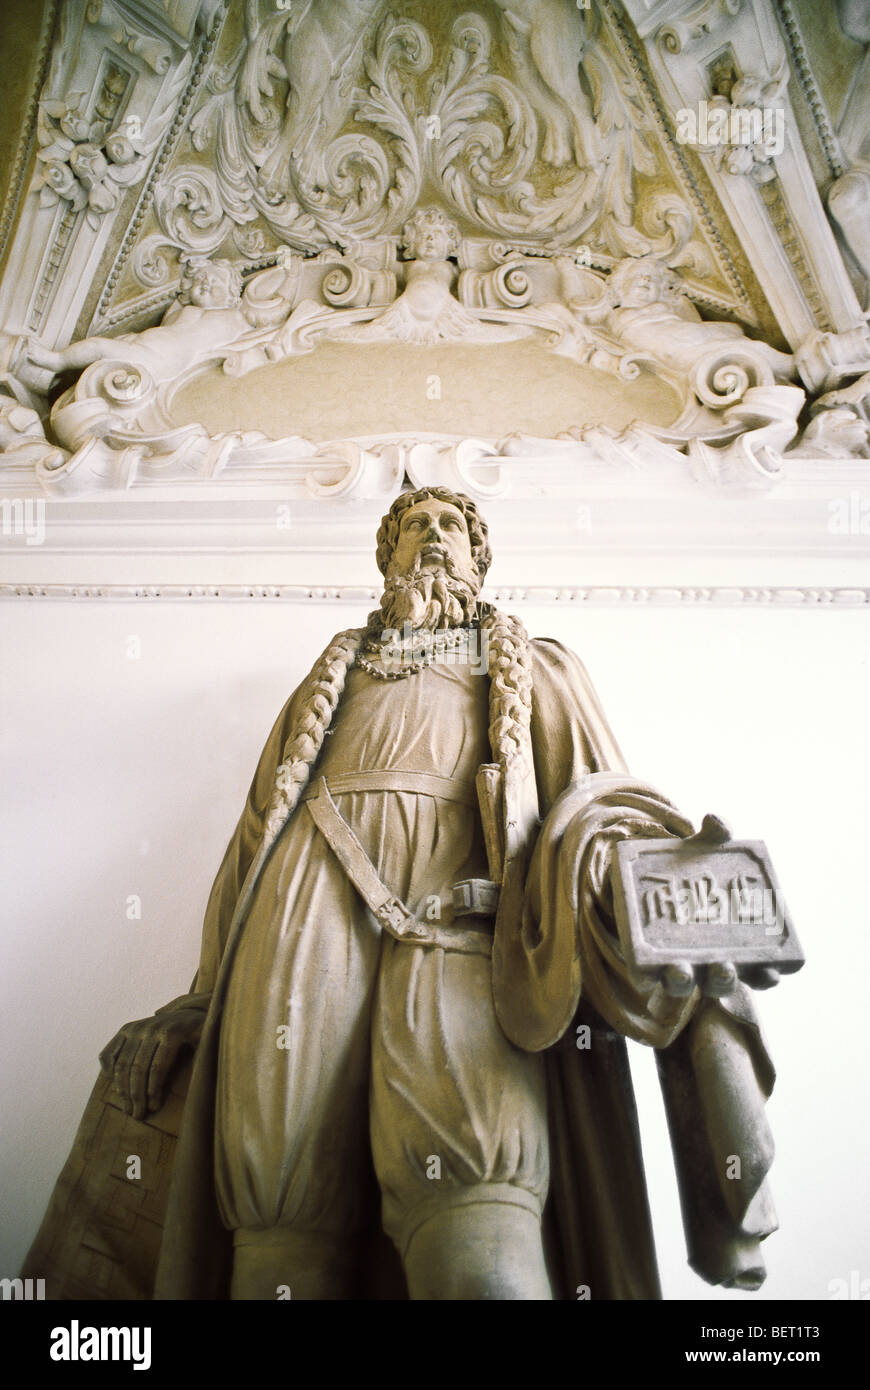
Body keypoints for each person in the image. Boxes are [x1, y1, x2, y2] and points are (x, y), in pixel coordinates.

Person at [24, 486, 778, 1300]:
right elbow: (255, 839)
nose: (433, 536)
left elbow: (601, 806)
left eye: (451, 525)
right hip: (299, 924)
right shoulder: (330, 675)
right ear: (386, 559)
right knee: (279, 1226)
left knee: (481, 1224)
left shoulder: (539, 665)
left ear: (478, 558)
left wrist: (671, 884)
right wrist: (204, 1000)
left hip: (467, 937)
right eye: (413, 526)